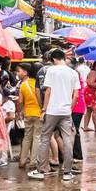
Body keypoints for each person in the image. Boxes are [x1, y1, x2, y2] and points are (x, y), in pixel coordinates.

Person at [30, 48, 80, 182]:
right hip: (66, 111)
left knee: (45, 138)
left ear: (53, 60)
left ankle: (40, 171)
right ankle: (67, 172)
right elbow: (75, 95)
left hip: (52, 110)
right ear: (64, 57)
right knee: (67, 139)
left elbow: (47, 91)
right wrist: (69, 108)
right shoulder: (73, 73)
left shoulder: (51, 70)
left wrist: (44, 109)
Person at [15, 64, 42, 169]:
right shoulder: (38, 84)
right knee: (36, 138)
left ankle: (22, 161)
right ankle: (33, 162)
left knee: (26, 137)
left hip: (28, 113)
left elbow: (20, 101)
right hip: (39, 113)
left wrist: (18, 113)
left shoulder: (23, 85)